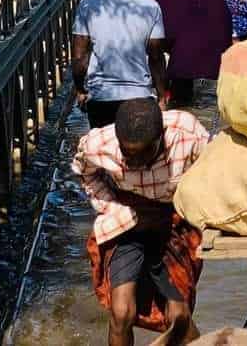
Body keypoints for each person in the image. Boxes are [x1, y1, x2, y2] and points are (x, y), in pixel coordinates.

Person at [72, 98, 208, 345]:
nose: (133, 163)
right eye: (128, 154)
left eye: (143, 154)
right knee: (121, 312)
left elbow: (211, 173)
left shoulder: (187, 135)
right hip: (128, 220)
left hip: (174, 222)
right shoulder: (100, 144)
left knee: (178, 317)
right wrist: (112, 207)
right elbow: (84, 171)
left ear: (160, 139)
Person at [71, 0, 167, 129]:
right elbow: (156, 56)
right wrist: (162, 96)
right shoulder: (151, 7)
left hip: (101, 97)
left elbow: (79, 57)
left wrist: (80, 89)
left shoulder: (88, 5)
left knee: (103, 154)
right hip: (139, 97)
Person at [156, 0, 232, 105]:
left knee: (181, 78)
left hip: (181, 52)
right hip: (205, 51)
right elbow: (223, 16)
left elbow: (163, 6)